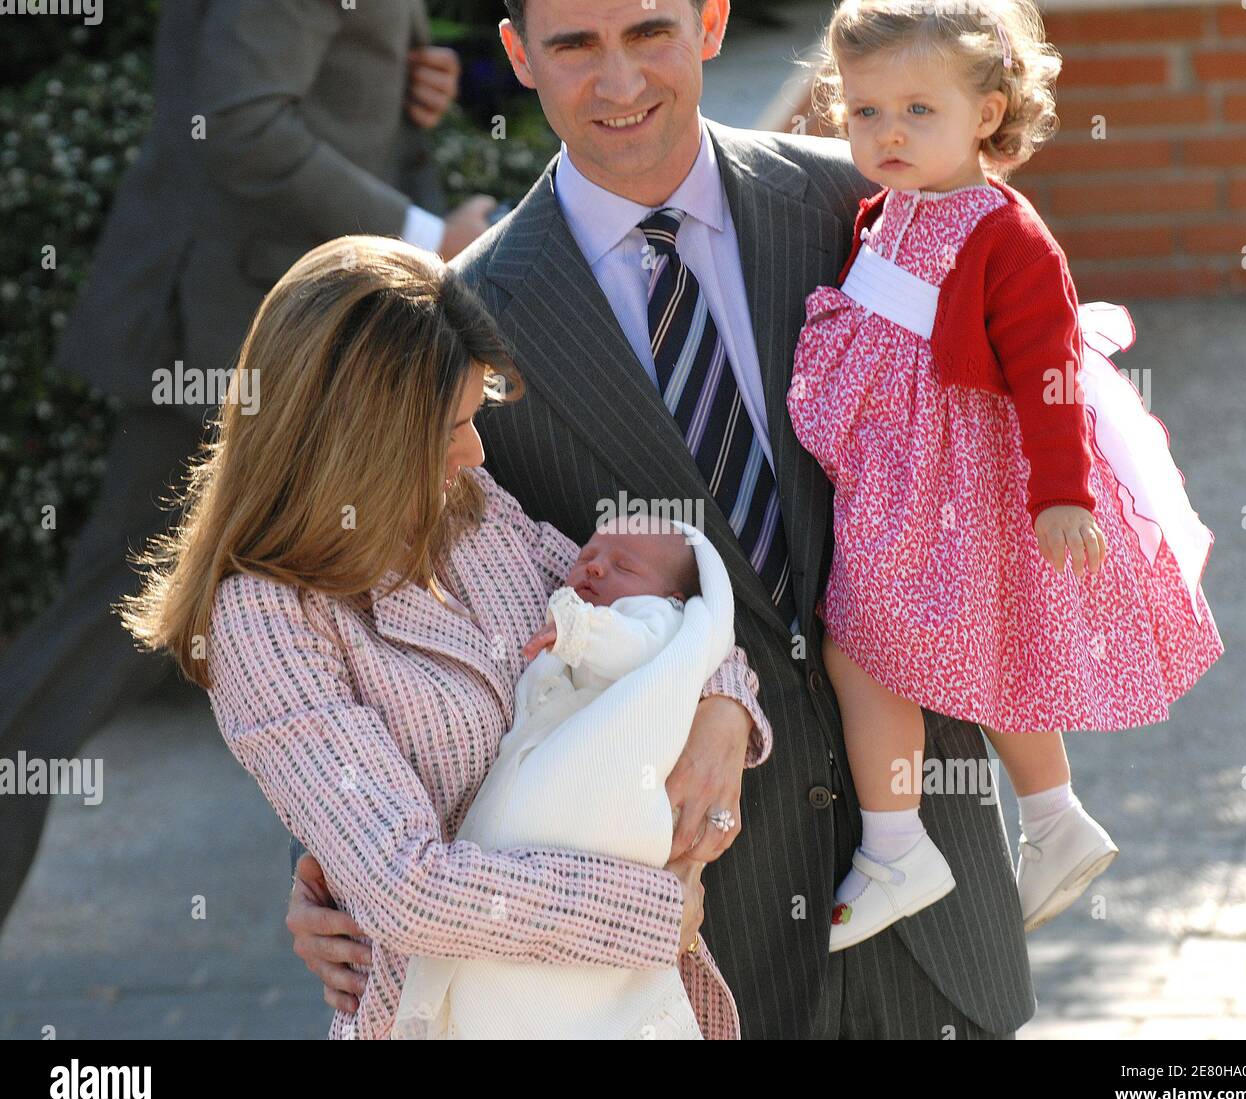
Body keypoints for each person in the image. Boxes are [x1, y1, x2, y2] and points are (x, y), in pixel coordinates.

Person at [289, 0, 1040, 1040]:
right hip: (690, 938)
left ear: (712, 22)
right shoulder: (464, 321)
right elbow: (390, 611)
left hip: (933, 888)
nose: (621, 81)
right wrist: (329, 862)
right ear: (516, 55)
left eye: (649, 32)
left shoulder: (870, 203)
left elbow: (1017, 447)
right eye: (573, 46)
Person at [116, 236, 771, 1040]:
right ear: (356, 438)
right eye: (450, 426)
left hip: (629, 1010)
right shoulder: (265, 622)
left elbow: (651, 611)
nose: (476, 451)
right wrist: (649, 911)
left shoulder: (471, 508)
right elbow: (406, 886)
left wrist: (722, 712)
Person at [0, 0, 494, 933]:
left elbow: (284, 75)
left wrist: (397, 84)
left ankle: (369, 944)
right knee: (79, 664)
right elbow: (237, 120)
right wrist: (425, 235)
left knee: (325, 646)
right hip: (234, 337)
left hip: (270, 335)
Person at [785, 0, 1224, 951]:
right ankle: (1055, 819)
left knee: (862, 643)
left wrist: (1061, 493)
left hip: (960, 490)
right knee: (969, 644)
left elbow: (1051, 372)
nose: (886, 132)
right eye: (863, 112)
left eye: (916, 110)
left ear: (986, 113)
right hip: (904, 483)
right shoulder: (886, 208)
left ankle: (904, 844)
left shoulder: (1005, 234)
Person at [394, 520, 744, 1039]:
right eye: (589, 554)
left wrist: (579, 632)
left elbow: (641, 643)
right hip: (530, 889)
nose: (595, 565)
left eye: (624, 566)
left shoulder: (653, 619)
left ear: (674, 597)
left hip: (599, 813)